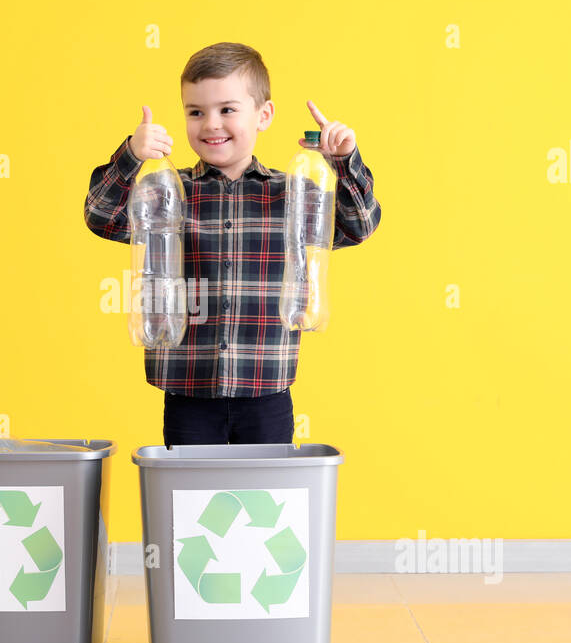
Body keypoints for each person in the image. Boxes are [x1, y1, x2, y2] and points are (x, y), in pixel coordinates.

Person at [84, 42, 382, 445]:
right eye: (196, 112)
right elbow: (102, 216)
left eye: (227, 110)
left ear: (263, 115)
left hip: (266, 387)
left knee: (265, 500)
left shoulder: (292, 193)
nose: (211, 124)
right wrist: (132, 156)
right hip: (187, 388)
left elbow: (358, 224)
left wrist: (344, 162)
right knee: (189, 500)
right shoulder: (167, 189)